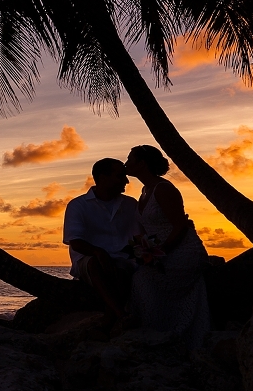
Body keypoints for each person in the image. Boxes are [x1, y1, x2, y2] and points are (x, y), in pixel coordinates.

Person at [124, 144, 211, 349]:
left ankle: (166, 333)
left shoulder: (163, 189)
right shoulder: (145, 190)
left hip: (181, 250)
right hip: (161, 251)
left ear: (142, 164)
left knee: (142, 279)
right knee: (140, 277)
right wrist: (143, 249)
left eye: (130, 159)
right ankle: (160, 331)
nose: (126, 163)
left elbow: (180, 226)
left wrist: (160, 253)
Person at [62, 158, 142, 320]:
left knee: (120, 273)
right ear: (103, 177)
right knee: (94, 264)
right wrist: (99, 252)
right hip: (89, 260)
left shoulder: (130, 204)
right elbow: (75, 241)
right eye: (120, 176)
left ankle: (111, 319)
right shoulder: (78, 205)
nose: (126, 181)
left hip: (122, 260)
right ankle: (121, 315)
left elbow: (139, 237)